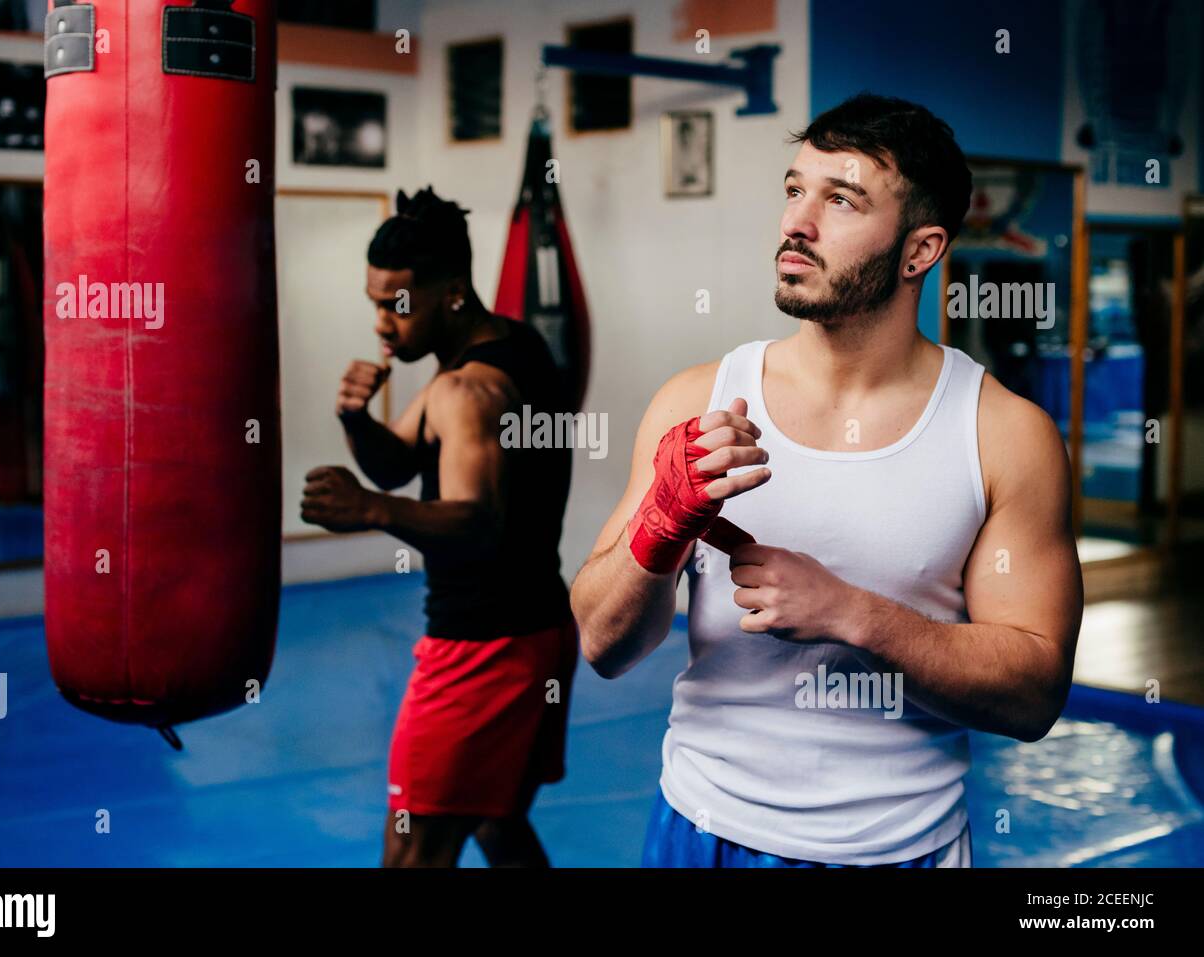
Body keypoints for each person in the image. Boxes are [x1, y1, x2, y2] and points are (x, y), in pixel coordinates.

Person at [570, 94, 1084, 868]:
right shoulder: (697, 401)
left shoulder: (1004, 435)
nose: (796, 223)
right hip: (700, 826)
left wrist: (852, 612)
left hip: (895, 848)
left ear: (921, 251)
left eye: (840, 199)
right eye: (793, 190)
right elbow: (602, 642)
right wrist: (659, 525)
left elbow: (1035, 694)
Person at [300, 187, 577, 867]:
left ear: (451, 293)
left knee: (411, 850)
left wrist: (369, 510)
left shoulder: (466, 392)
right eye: (374, 302)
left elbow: (477, 521)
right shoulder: (510, 347)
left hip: (481, 649)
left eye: (395, 303)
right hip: (538, 628)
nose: (381, 323)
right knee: (494, 820)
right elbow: (399, 462)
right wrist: (356, 421)